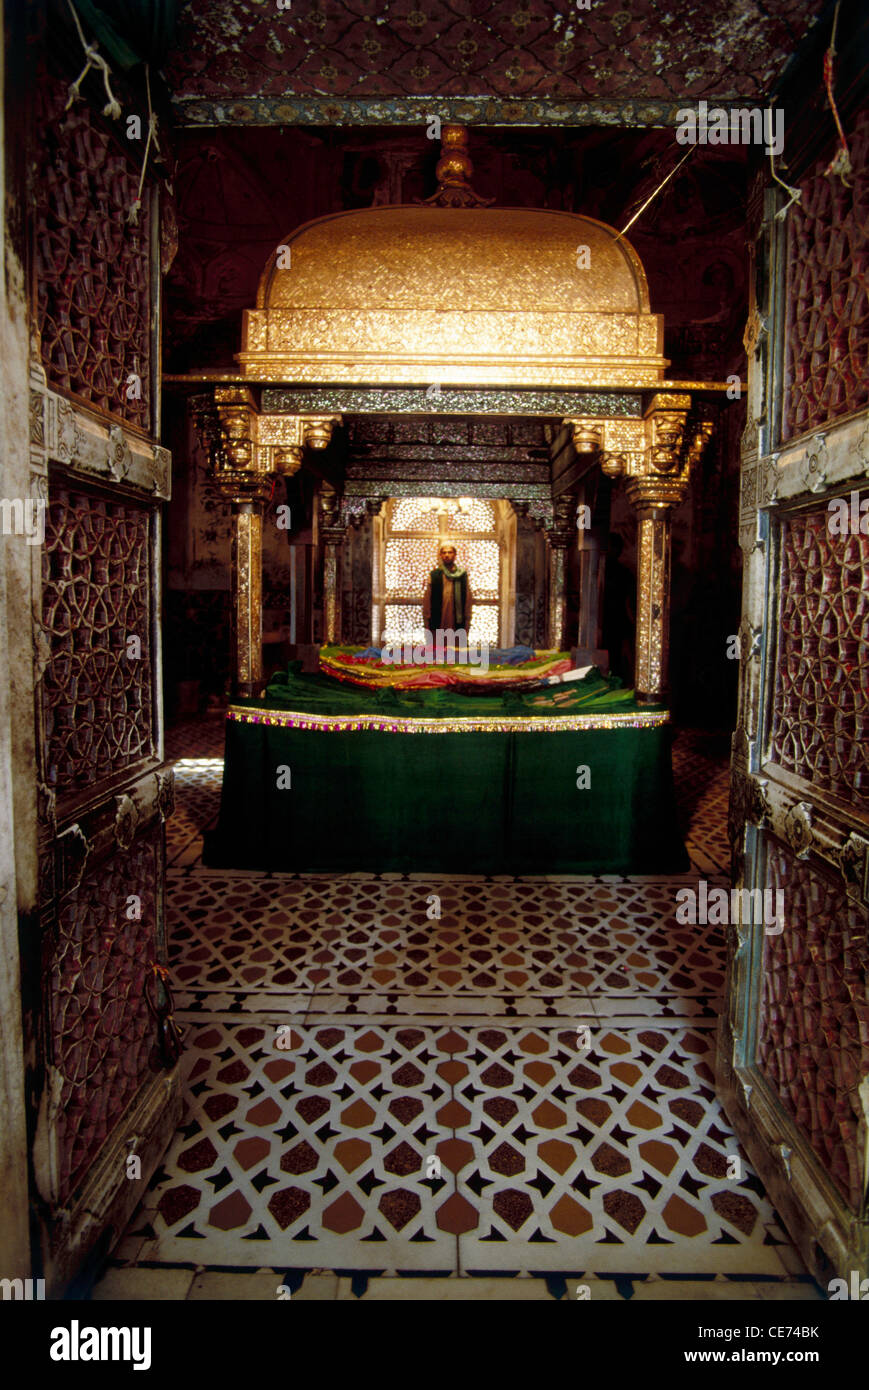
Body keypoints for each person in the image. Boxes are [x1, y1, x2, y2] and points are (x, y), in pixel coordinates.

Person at [422, 544, 473, 644]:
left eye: (450, 552)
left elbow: (467, 598)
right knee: (438, 646)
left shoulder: (462, 575)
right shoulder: (434, 575)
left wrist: (467, 617)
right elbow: (427, 598)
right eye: (444, 552)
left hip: (457, 617)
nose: (447, 555)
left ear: (455, 555)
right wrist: (427, 617)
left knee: (456, 647)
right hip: (439, 616)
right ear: (440, 555)